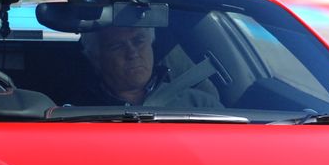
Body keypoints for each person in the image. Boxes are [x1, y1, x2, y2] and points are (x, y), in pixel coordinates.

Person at [78, 25, 222, 108]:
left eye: (139, 41)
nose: (132, 53)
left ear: (151, 44)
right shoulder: (78, 112)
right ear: (96, 58)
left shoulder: (199, 104)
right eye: (117, 46)